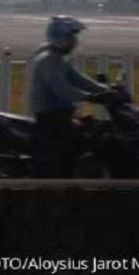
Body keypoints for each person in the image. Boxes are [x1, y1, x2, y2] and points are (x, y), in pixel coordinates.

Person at [28, 16, 114, 178]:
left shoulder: (59, 59)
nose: (74, 41)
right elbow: (61, 89)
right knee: (68, 146)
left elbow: (78, 79)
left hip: (62, 113)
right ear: (60, 38)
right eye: (70, 37)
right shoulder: (48, 60)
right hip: (50, 115)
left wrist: (106, 90)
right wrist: (90, 97)